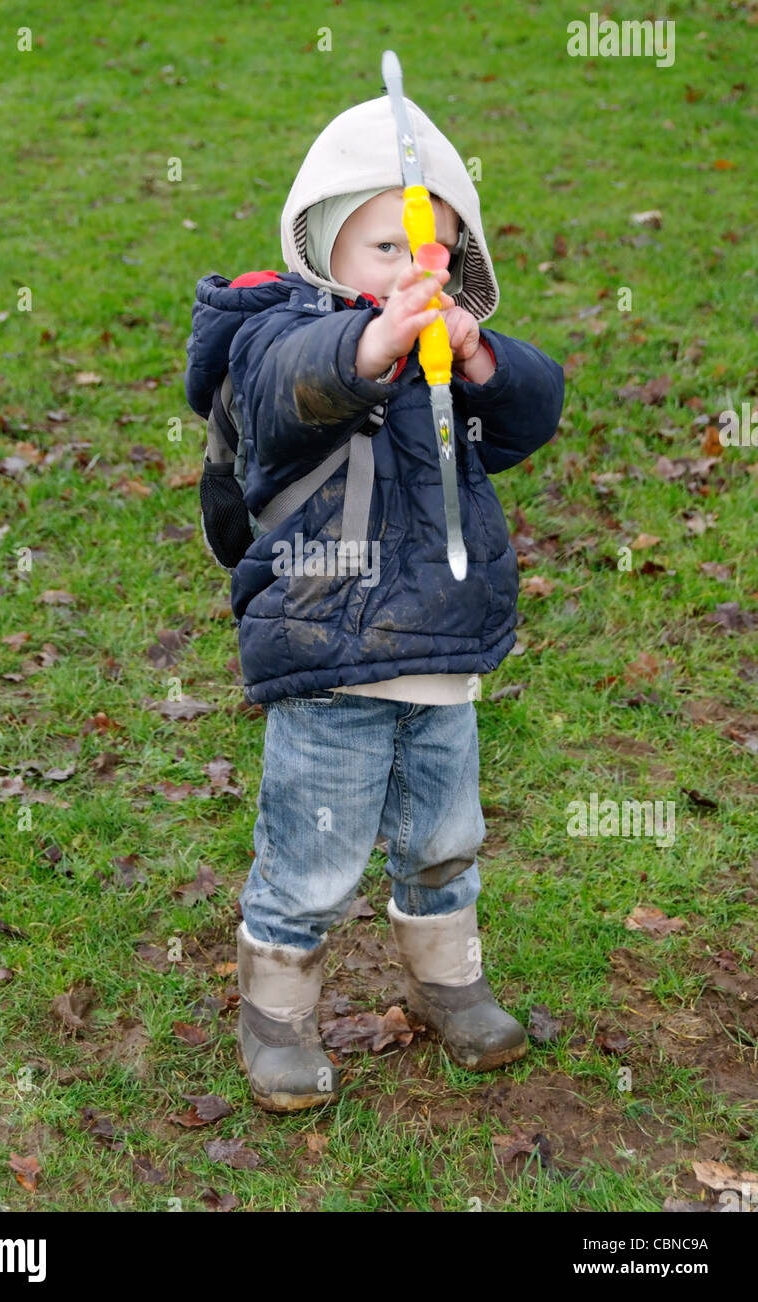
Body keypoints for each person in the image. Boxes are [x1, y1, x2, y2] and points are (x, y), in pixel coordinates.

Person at [185, 91, 565, 1112]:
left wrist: (479, 354)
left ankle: (450, 982)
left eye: (433, 248)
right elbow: (282, 392)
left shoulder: (449, 353)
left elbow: (531, 414)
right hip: (326, 648)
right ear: (320, 243)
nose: (413, 268)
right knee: (310, 857)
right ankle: (275, 1014)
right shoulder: (279, 333)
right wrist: (367, 348)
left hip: (439, 652)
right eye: (384, 244)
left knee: (445, 838)